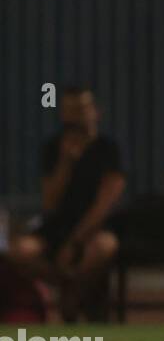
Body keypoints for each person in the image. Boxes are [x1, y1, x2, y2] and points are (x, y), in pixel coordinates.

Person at [6, 86, 126, 321]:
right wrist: (65, 163)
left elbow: (105, 203)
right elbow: (50, 202)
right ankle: (70, 288)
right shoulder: (53, 148)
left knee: (104, 247)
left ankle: (72, 294)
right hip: (58, 226)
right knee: (18, 251)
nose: (76, 117)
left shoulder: (108, 149)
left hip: (95, 227)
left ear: (95, 112)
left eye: (81, 109)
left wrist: (75, 242)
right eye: (70, 111)